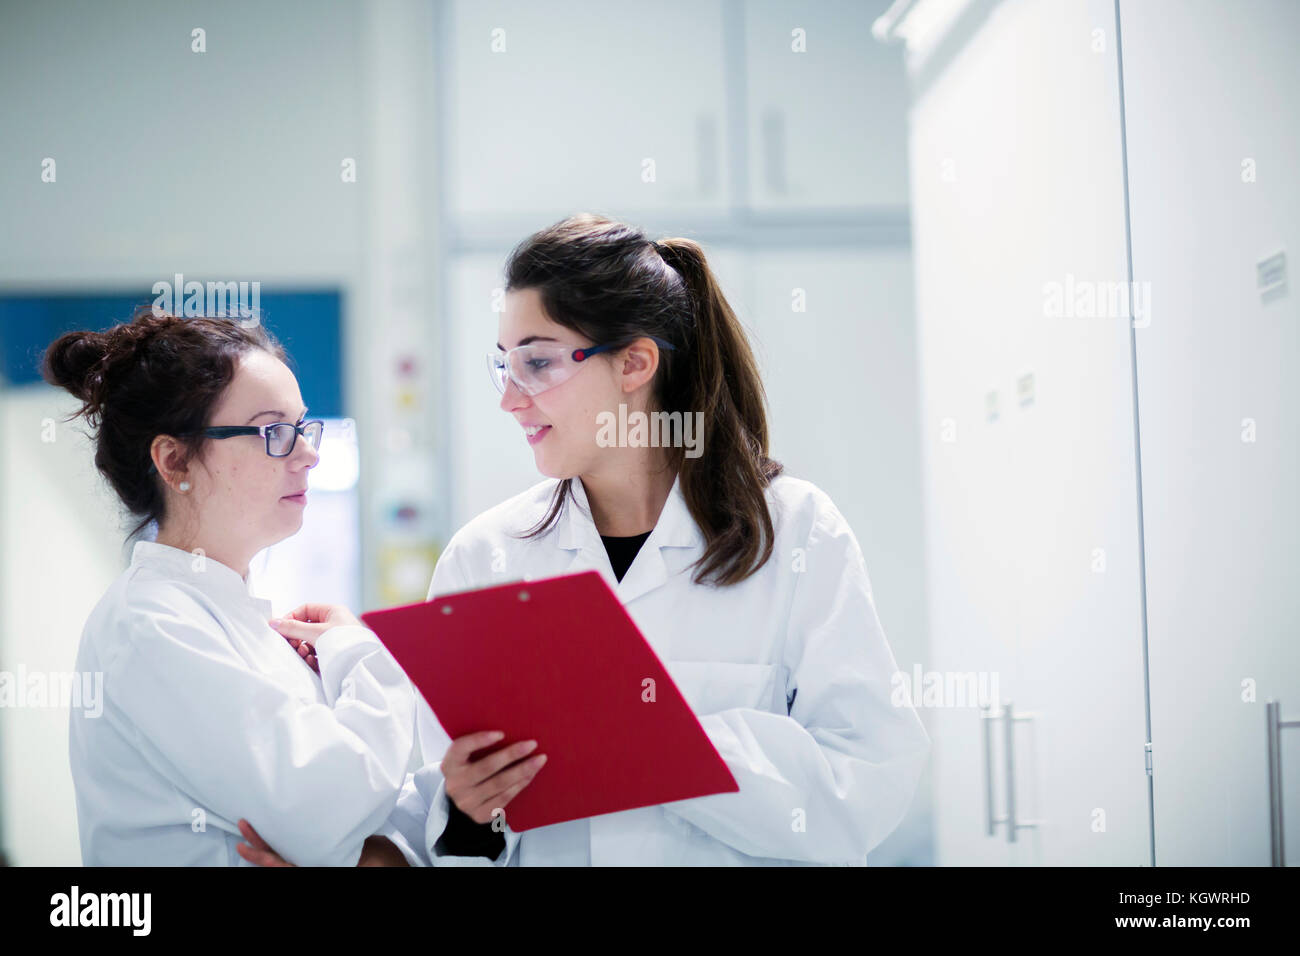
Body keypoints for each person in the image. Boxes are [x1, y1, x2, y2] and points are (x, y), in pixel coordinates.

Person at [383, 213, 931, 865]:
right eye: (502, 365)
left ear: (635, 363)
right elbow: (452, 816)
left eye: (536, 362)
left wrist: (660, 743)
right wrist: (473, 815)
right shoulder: (485, 558)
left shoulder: (795, 532)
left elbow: (866, 783)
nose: (510, 398)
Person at [46, 307, 415, 866]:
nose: (309, 453)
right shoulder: (150, 625)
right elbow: (334, 807)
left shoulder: (243, 624)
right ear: (175, 460)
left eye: (303, 426)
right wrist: (363, 660)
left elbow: (364, 830)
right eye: (273, 431)